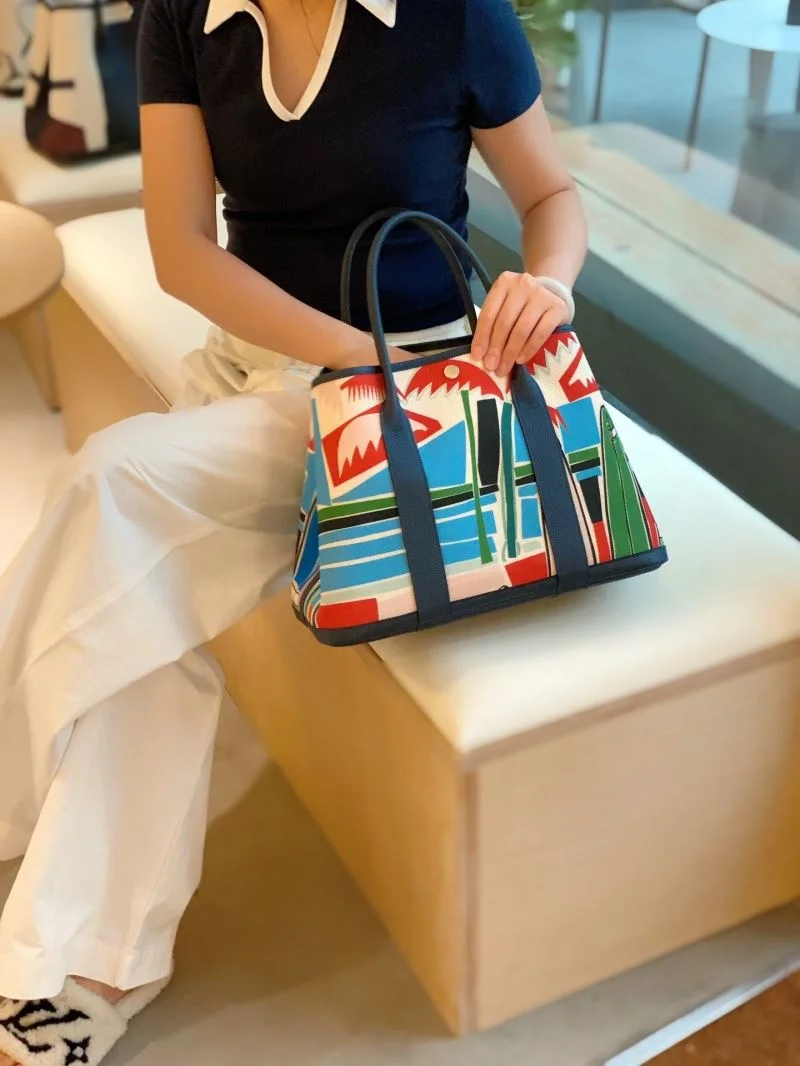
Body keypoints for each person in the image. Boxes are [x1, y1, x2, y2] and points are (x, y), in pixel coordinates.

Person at [0, 0, 587, 1061]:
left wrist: (543, 284)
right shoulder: (185, 15)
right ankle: (89, 959)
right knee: (139, 585)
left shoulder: (455, 14)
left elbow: (549, 193)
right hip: (258, 372)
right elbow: (182, 250)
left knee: (110, 485)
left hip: (405, 412)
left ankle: (78, 956)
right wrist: (351, 356)